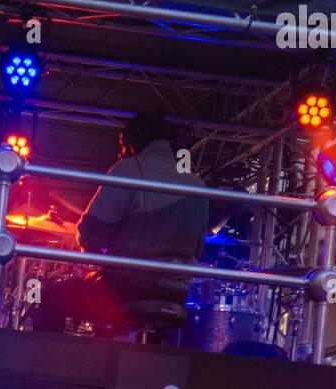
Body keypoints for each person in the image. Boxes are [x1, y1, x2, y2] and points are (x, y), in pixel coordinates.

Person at [33, 111, 210, 334]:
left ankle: (52, 365)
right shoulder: (197, 183)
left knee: (52, 297)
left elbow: (90, 234)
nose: (121, 152)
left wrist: (96, 248)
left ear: (134, 141)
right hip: (177, 293)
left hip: (129, 287)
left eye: (123, 144)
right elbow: (199, 247)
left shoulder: (130, 169)